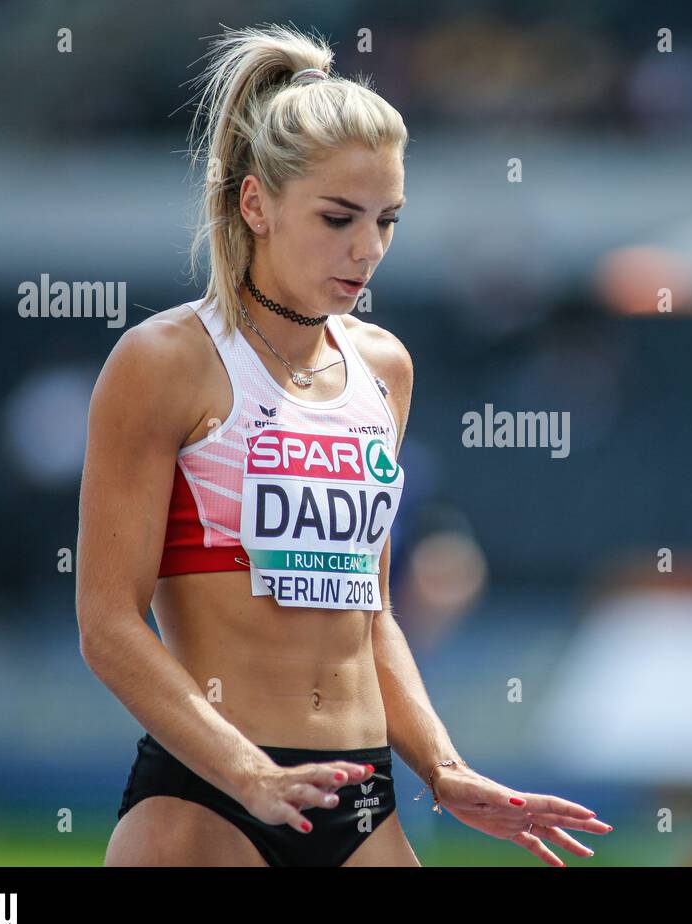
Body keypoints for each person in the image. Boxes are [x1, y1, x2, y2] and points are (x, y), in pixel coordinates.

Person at [75, 23, 610, 866]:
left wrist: (442, 765)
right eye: (337, 218)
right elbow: (107, 621)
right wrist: (245, 771)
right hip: (210, 799)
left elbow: (373, 613)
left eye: (387, 220)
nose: (368, 249)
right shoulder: (165, 362)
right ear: (256, 203)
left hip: (362, 801)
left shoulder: (383, 366)